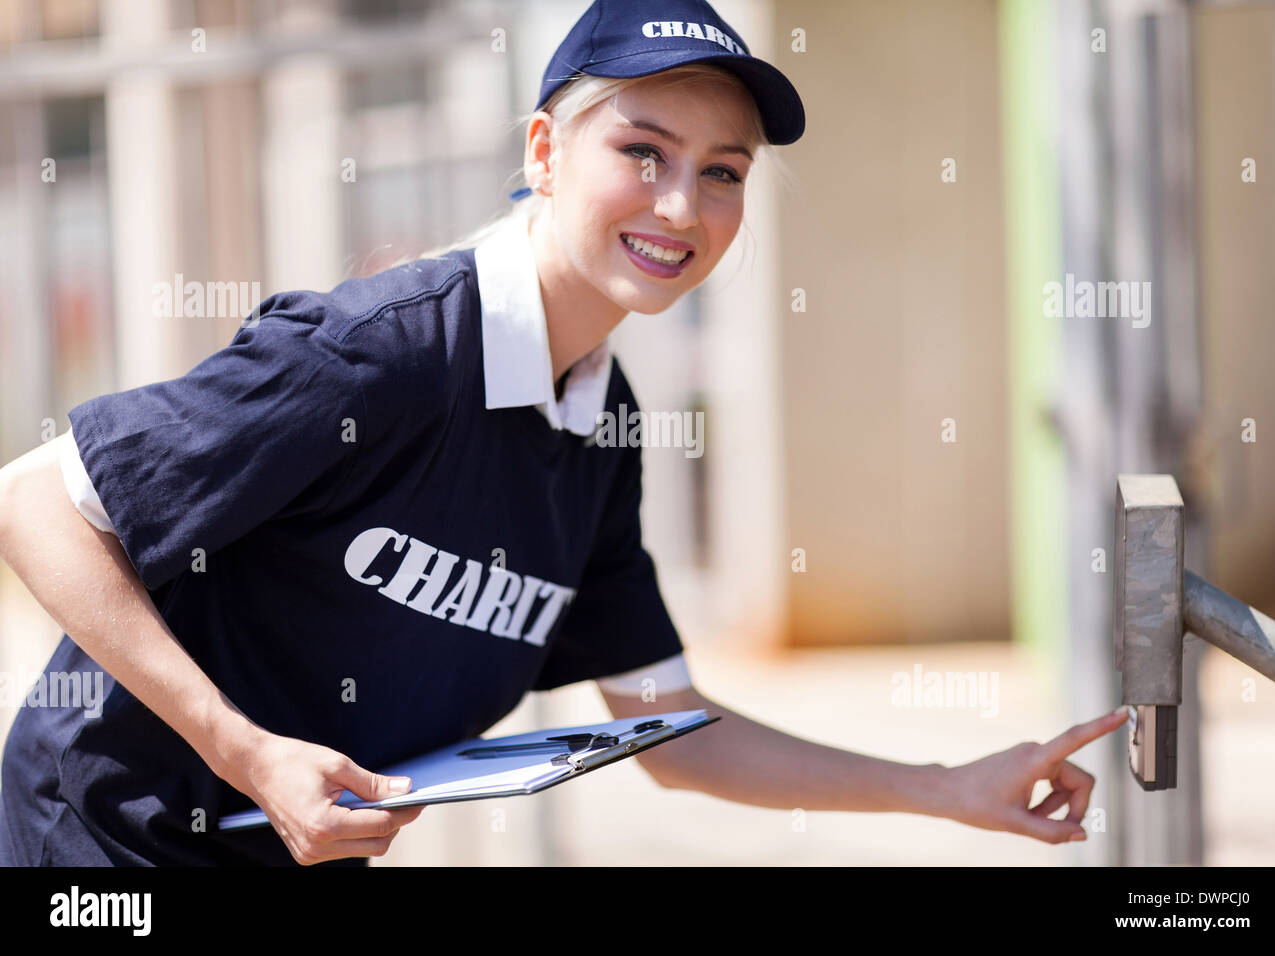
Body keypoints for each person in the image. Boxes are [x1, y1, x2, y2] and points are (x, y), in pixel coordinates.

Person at [0, 0, 1127, 867]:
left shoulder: (601, 421)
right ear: (543, 151)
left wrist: (944, 785)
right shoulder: (382, 353)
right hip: (100, 842)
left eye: (721, 172)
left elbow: (670, 732)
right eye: (642, 151)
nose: (681, 207)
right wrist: (242, 748)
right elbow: (36, 499)